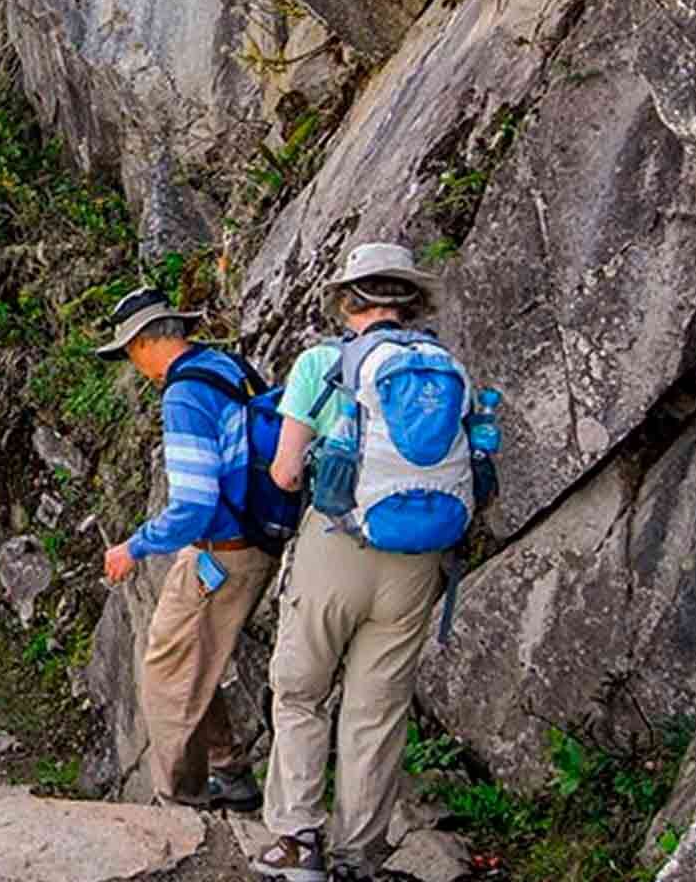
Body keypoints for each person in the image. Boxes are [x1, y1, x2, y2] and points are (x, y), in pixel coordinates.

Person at [252, 242, 458, 882]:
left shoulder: (322, 362)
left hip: (336, 551)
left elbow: (286, 473)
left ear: (348, 301)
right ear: (411, 301)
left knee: (301, 692)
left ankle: (297, 840)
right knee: (377, 712)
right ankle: (357, 857)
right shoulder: (443, 366)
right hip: (418, 563)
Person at [97, 286, 279, 811]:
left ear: (144, 343)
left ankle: (179, 803)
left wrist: (134, 545)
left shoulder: (183, 394)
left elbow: (194, 505)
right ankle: (230, 772)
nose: (135, 365)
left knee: (164, 677)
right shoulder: (225, 366)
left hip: (220, 551)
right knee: (191, 664)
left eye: (131, 352)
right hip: (255, 540)